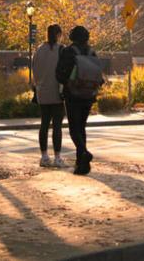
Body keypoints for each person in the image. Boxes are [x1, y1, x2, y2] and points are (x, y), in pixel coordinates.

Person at [56, 24, 100, 175]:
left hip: (73, 95)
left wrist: (66, 83)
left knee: (74, 129)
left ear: (72, 37)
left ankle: (84, 153)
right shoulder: (92, 52)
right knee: (82, 127)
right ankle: (81, 165)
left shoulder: (68, 52)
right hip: (88, 95)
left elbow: (59, 74)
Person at [31, 23, 67, 167]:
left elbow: (35, 71)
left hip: (42, 92)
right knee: (57, 126)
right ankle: (57, 157)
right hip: (57, 93)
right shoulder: (61, 50)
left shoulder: (39, 50)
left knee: (44, 124)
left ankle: (44, 156)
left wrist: (39, 84)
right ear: (58, 34)